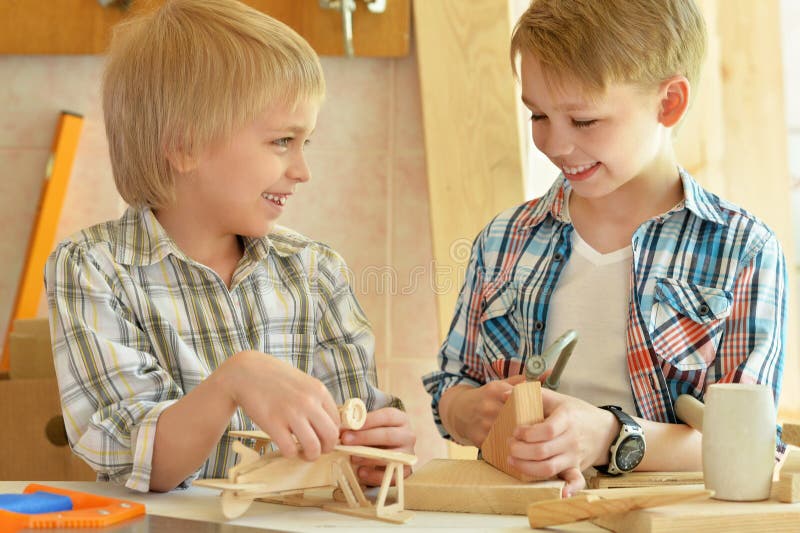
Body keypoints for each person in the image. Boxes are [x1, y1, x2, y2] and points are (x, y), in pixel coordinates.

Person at [45, 0, 414, 493]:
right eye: (282, 141)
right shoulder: (93, 269)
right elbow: (138, 461)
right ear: (184, 145)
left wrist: (377, 449)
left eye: (305, 143)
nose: (302, 170)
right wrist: (234, 380)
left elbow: (353, 436)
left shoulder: (316, 270)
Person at [423, 0, 786, 496]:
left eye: (585, 120)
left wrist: (612, 437)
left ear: (669, 103)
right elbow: (451, 386)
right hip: (519, 512)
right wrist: (468, 412)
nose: (553, 143)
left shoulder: (743, 249)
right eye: (538, 115)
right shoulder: (504, 238)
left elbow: (751, 443)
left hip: (665, 521)